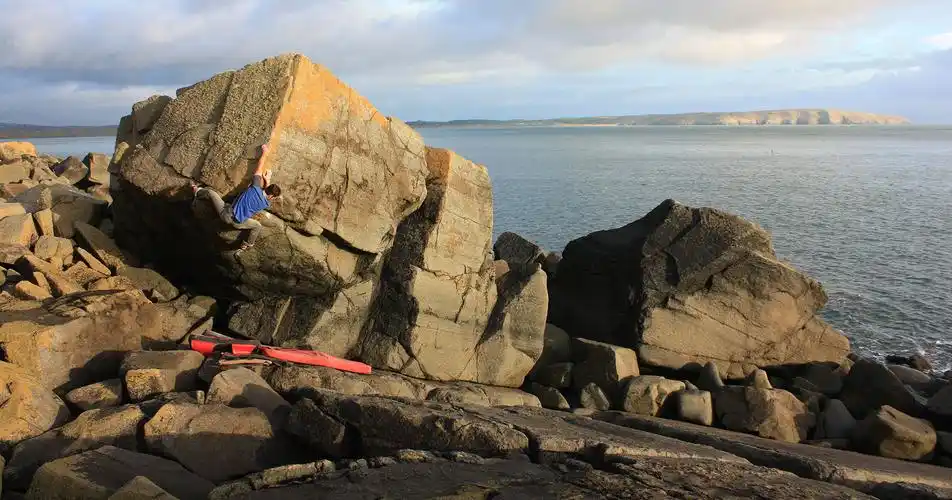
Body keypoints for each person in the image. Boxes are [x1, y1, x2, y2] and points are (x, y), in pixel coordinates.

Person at [192, 143, 282, 252]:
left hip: (226, 214)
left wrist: (265, 153)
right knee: (257, 226)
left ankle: (196, 190)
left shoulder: (255, 187)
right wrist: (267, 181)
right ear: (271, 196)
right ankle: (247, 244)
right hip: (238, 223)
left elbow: (259, 166)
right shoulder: (265, 204)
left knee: (211, 194)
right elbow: (267, 196)